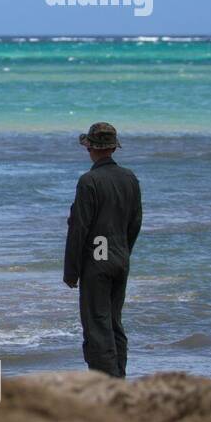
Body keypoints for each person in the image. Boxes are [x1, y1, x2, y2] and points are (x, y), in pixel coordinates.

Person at [63, 122, 142, 378]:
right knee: (114, 323)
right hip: (120, 259)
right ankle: (119, 376)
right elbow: (135, 222)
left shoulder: (89, 181)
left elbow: (79, 228)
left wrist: (71, 271)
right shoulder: (129, 177)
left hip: (96, 263)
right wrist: (123, 252)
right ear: (113, 149)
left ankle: (107, 383)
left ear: (90, 149)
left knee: (97, 325)